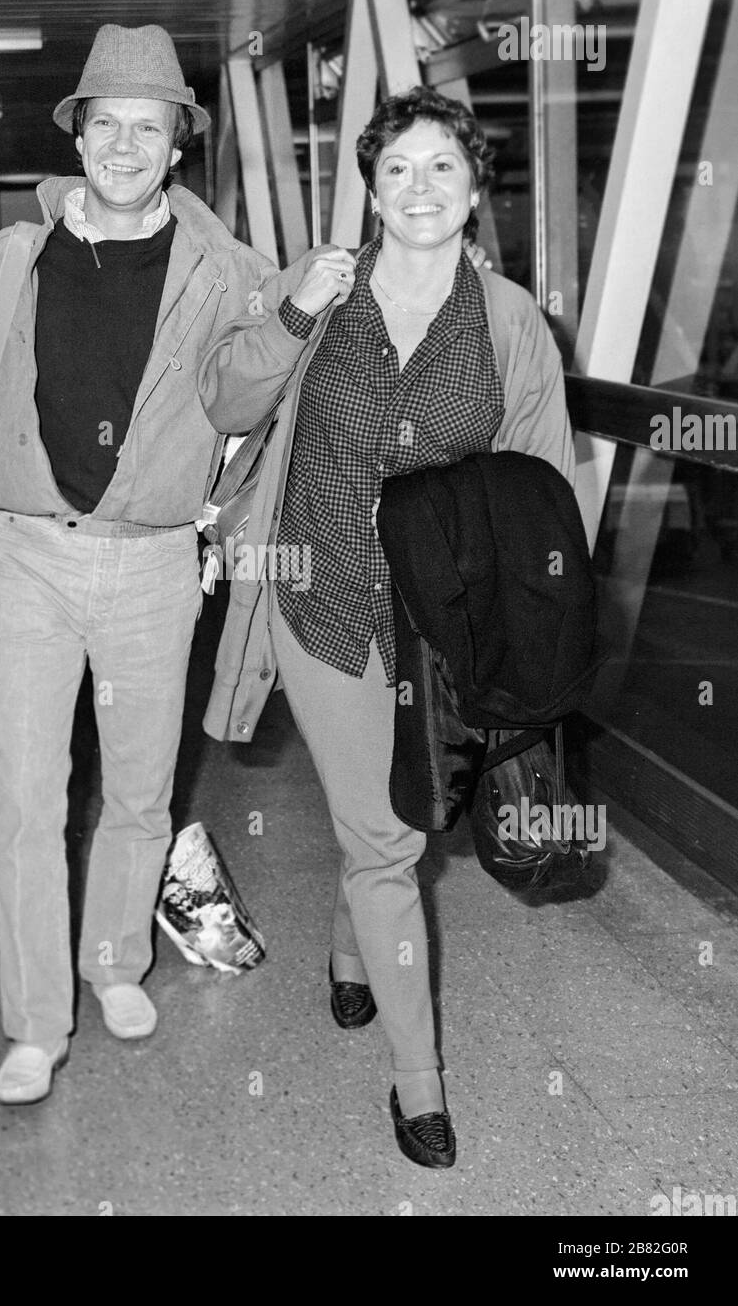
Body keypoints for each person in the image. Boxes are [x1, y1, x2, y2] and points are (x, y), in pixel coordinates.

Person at [0, 24, 279, 1105]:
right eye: (109, 125)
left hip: (153, 566)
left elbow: (263, 410)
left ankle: (114, 965)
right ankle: (35, 1023)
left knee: (140, 794)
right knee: (27, 799)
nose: (127, 145)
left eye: (150, 127)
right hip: (31, 558)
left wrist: (223, 525)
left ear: (177, 145)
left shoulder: (230, 272)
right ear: (80, 136)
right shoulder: (10, 257)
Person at [198, 86, 574, 1167]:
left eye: (441, 168)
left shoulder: (507, 319)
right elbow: (226, 404)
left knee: (392, 818)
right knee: (388, 837)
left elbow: (542, 487)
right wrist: (290, 317)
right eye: (396, 169)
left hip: (443, 615)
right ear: (367, 186)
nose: (419, 188)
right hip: (319, 594)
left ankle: (352, 956)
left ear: (472, 188)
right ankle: (420, 1088)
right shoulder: (314, 287)